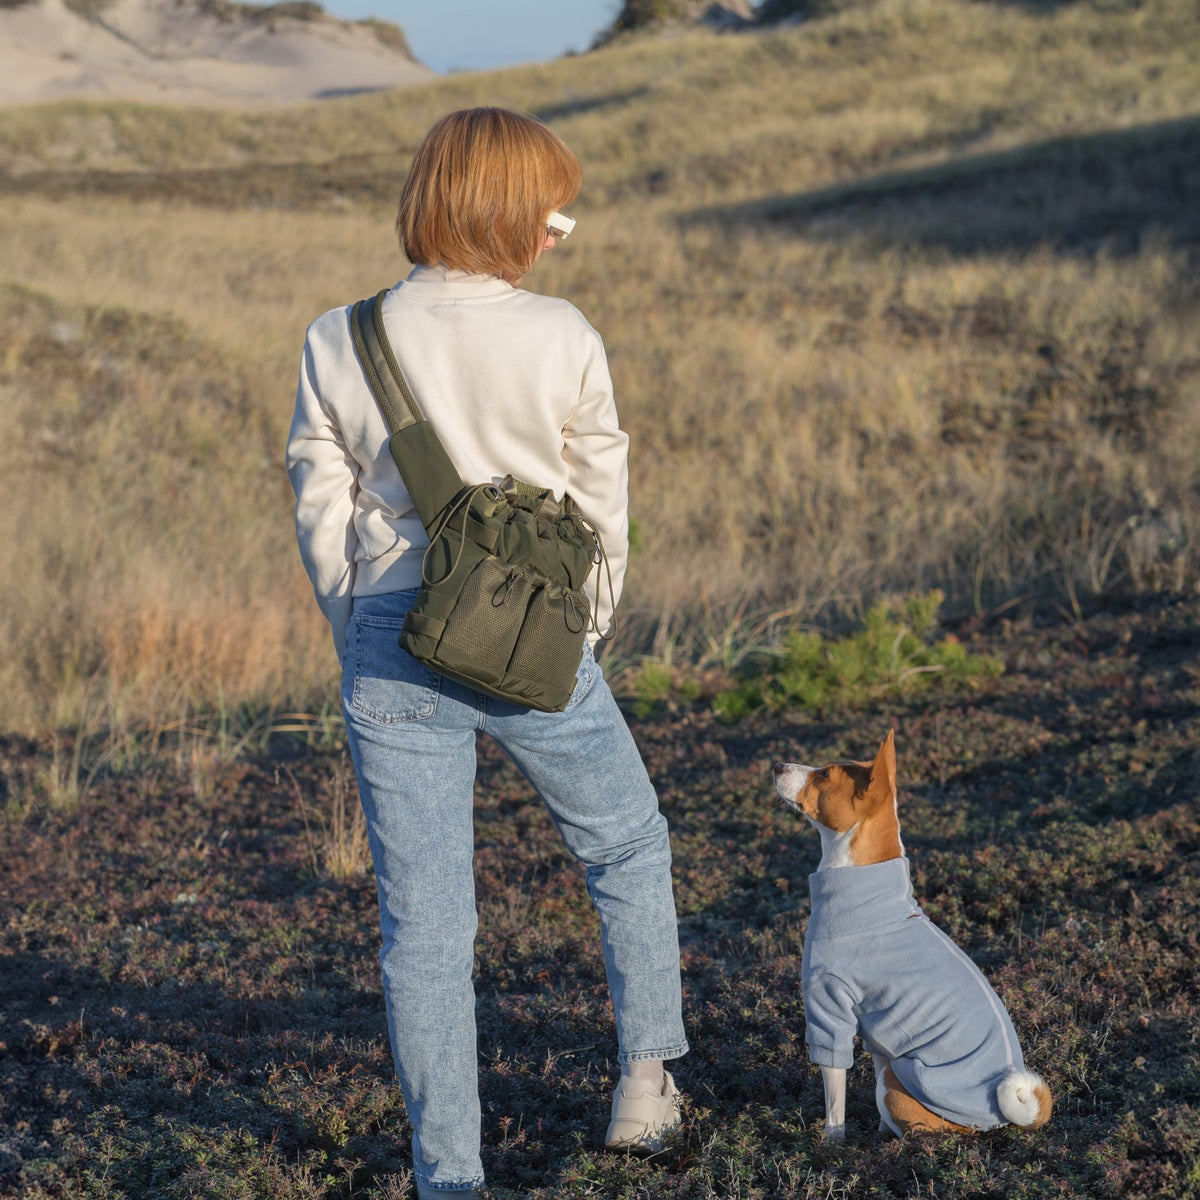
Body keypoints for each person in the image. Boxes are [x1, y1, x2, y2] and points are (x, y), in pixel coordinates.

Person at [286, 107, 688, 1200]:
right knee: (627, 847)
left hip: (391, 640)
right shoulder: (564, 336)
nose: (563, 228)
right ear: (507, 208)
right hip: (537, 634)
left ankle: (448, 1177)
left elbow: (320, 504)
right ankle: (648, 1089)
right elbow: (599, 498)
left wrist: (360, 623)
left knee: (425, 928)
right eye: (554, 205)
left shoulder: (341, 335)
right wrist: (586, 630)